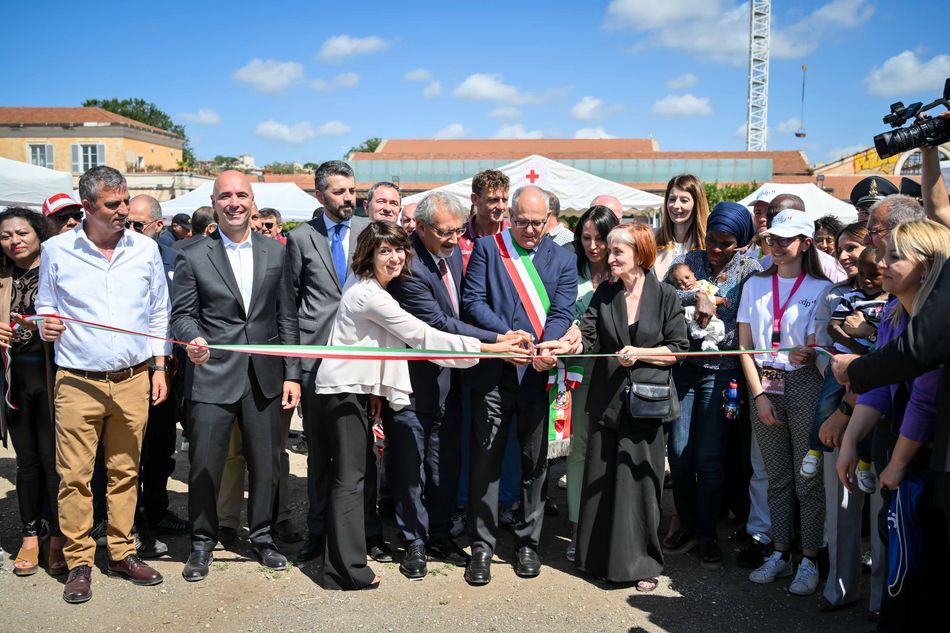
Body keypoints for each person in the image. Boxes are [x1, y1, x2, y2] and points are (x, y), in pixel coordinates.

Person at [314, 221, 526, 590]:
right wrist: (495, 349)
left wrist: (380, 392)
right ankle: (346, 569)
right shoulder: (371, 294)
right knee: (350, 480)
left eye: (398, 249)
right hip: (343, 393)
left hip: (357, 391)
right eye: (384, 251)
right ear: (368, 255)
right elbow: (424, 336)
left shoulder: (368, 287)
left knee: (356, 477)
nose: (394, 257)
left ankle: (344, 564)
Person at [36, 166, 170, 603]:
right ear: (88, 207)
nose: (123, 211)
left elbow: (158, 313)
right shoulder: (57, 250)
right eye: (113, 204)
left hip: (132, 379)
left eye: (125, 201)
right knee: (74, 476)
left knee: (125, 471)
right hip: (77, 381)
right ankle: (79, 560)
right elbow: (45, 306)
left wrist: (160, 367)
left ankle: (121, 551)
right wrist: (46, 326)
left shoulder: (145, 249)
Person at [171, 170, 301, 582]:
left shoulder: (276, 252)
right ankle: (203, 542)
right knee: (205, 465)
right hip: (212, 374)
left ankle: (262, 537)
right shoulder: (192, 254)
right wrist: (192, 338)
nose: (234, 203)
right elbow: (182, 315)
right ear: (214, 202)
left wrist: (292, 374)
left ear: (253, 201)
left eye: (241, 195)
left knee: (266, 464)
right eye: (225, 196)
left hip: (265, 376)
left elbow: (287, 318)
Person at [385, 192, 524, 579]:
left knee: (445, 465)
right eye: (445, 232)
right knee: (411, 467)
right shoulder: (408, 267)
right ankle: (414, 542)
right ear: (422, 227)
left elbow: (465, 307)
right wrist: (496, 343)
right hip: (415, 385)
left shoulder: (455, 256)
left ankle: (440, 534)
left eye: (458, 230)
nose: (453, 238)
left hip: (453, 383)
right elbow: (440, 326)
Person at [545, 223, 688, 590]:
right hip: (607, 404)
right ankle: (596, 558)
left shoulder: (666, 296)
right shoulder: (604, 293)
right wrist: (564, 344)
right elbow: (588, 338)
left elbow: (678, 350)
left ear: (639, 254)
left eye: (617, 252)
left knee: (640, 484)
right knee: (601, 480)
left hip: (647, 406)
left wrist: (640, 354)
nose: (610, 259)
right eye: (610, 252)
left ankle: (641, 564)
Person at [834, 219, 950, 633]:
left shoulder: (934, 325)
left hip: (927, 462)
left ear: (929, 265)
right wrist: (850, 442)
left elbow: (924, 398)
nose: (880, 264)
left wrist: (898, 464)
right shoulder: (892, 312)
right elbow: (879, 386)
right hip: (898, 451)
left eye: (894, 257)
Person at [461, 185, 576, 585]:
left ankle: (528, 542)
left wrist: (550, 344)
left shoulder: (562, 257)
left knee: (534, 463)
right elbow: (472, 302)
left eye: (537, 222)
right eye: (522, 221)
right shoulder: (490, 249)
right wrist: (506, 337)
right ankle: (482, 546)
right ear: (509, 217)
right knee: (486, 461)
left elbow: (563, 308)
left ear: (549, 220)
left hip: (537, 373)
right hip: (495, 370)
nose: (529, 229)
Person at [284, 160, 378, 564]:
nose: (348, 198)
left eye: (352, 190)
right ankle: (317, 533)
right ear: (320, 194)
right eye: (339, 192)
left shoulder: (367, 233)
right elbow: (288, 308)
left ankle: (364, 535)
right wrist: (293, 370)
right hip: (317, 365)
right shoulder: (300, 238)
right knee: (321, 458)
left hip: (360, 363)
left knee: (362, 457)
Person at [663, 201, 762, 570]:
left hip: (722, 368)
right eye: (712, 241)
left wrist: (714, 307)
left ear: (741, 242)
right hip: (686, 365)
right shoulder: (692, 258)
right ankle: (686, 522)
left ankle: (707, 534)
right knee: (679, 450)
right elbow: (666, 294)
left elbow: (743, 318)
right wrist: (699, 295)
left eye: (726, 243)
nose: (716, 250)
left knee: (709, 454)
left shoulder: (751, 269)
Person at [737, 209, 830, 596]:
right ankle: (780, 552)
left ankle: (809, 557)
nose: (774, 246)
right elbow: (743, 347)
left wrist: (812, 353)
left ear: (805, 244)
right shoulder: (755, 285)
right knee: (776, 477)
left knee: (807, 479)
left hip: (805, 384)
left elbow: (822, 344)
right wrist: (758, 394)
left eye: (784, 240)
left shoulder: (821, 288)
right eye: (771, 239)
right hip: (765, 383)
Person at [808, 222, 886, 616]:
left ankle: (882, 598)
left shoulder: (900, 298)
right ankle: (839, 588)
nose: (844, 256)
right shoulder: (834, 294)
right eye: (840, 249)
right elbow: (824, 348)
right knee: (841, 503)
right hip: (838, 404)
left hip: (882, 414)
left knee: (881, 511)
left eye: (853, 247)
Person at [0, 208, 64, 577]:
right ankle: (28, 534)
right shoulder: (2, 275)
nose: (14, 241)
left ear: (38, 233)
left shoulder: (57, 270)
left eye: (21, 233)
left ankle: (57, 536)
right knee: (26, 462)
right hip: (15, 384)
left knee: (56, 463)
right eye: (6, 236)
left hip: (54, 378)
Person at [126, 195, 188, 538]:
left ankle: (157, 507)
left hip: (171, 370)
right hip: (132, 368)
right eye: (127, 224)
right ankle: (126, 519)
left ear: (158, 226)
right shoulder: (118, 257)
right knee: (128, 448)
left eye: (138, 225)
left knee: (162, 445)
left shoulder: (179, 260)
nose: (131, 231)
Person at [563, 205, 618, 562]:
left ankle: (611, 525)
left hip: (614, 372)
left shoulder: (624, 271)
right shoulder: (570, 269)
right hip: (577, 371)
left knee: (610, 447)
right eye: (586, 238)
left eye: (600, 238)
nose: (593, 245)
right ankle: (576, 526)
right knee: (579, 447)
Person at [654, 174, 710, 279]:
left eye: (684, 200)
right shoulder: (652, 239)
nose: (675, 205)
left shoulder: (709, 243)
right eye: (672, 199)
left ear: (696, 204)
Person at [665, 263, 726, 351]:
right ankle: (695, 329)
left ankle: (710, 343)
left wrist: (722, 300)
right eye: (680, 283)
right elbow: (672, 295)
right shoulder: (683, 293)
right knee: (688, 310)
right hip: (694, 317)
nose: (685, 282)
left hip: (710, 316)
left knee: (719, 326)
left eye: (687, 277)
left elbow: (712, 296)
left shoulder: (704, 284)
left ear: (694, 275)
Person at [458, 169, 511, 269]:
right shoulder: (457, 238)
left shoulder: (516, 235)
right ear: (475, 199)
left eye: (504, 200)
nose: (501, 207)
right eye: (494, 200)